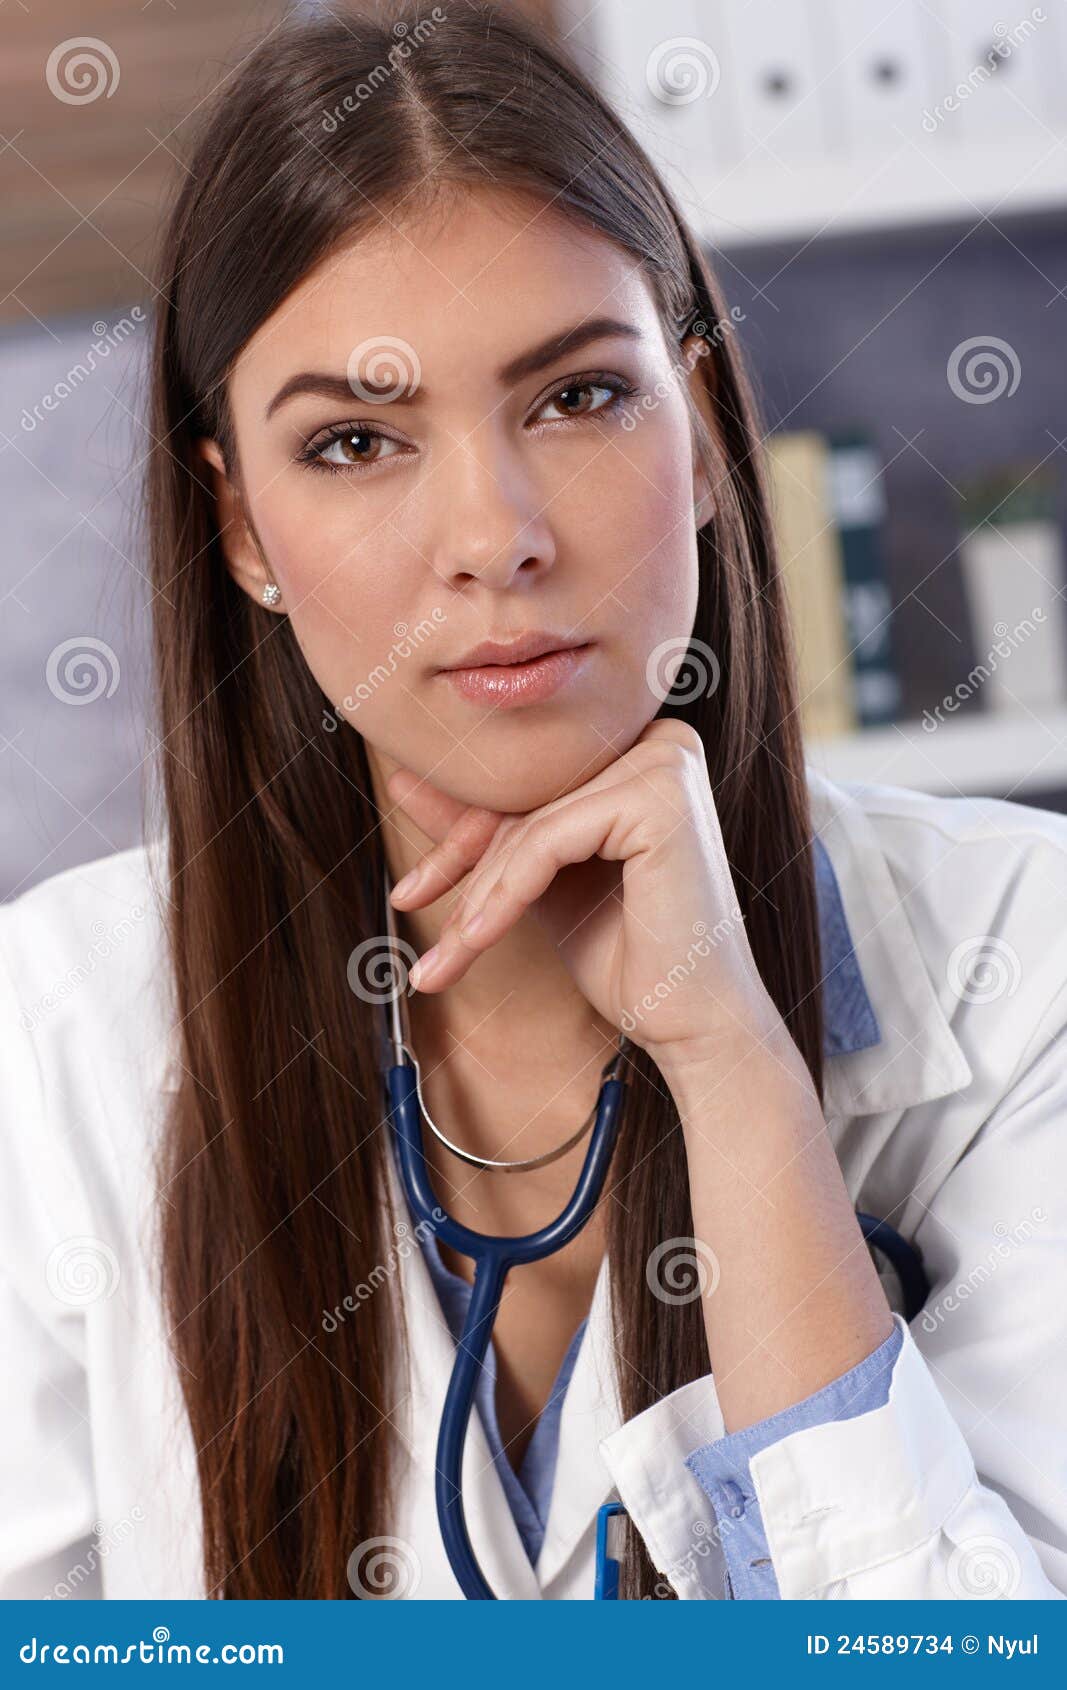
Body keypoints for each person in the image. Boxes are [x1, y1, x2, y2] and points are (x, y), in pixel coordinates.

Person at [1, 1, 1065, 1602]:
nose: (491, 537)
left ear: (705, 431)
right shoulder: (57, 1026)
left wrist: (738, 1070)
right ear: (242, 533)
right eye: (357, 440)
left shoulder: (1030, 958)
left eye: (575, 398)